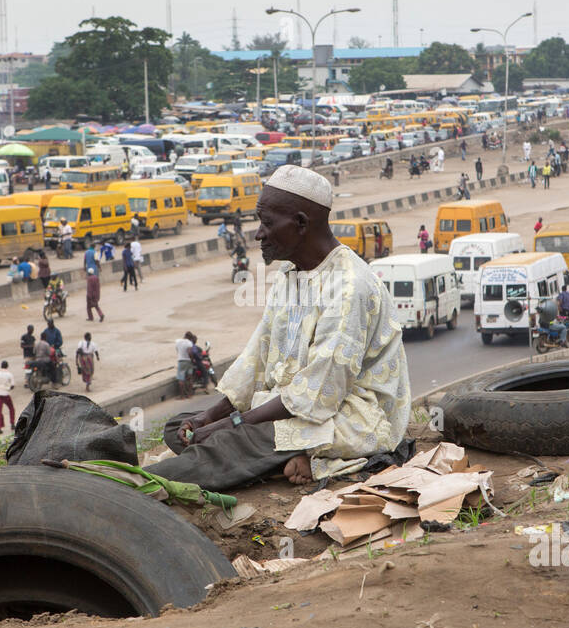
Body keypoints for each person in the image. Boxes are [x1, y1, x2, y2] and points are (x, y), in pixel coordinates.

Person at [156, 166, 410, 487]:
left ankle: (137, 484)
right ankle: (273, 459)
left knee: (229, 441)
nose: (259, 234)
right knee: (181, 427)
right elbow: (257, 358)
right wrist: (213, 416)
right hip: (292, 407)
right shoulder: (290, 274)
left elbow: (320, 395)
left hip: (350, 418)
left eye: (267, 223)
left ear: (301, 224)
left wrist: (233, 424)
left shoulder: (349, 287)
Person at [0, 360, 16, 428]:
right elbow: (12, 385)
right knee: (11, 408)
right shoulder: (9, 374)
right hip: (6, 393)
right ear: (7, 366)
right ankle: (12, 423)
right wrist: (8, 388)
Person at [175, 330, 196, 395]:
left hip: (181, 361)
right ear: (190, 337)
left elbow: (177, 349)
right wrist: (192, 359)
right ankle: (190, 394)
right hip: (188, 361)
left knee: (181, 379)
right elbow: (190, 352)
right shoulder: (189, 343)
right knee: (190, 378)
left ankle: (182, 396)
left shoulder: (178, 341)